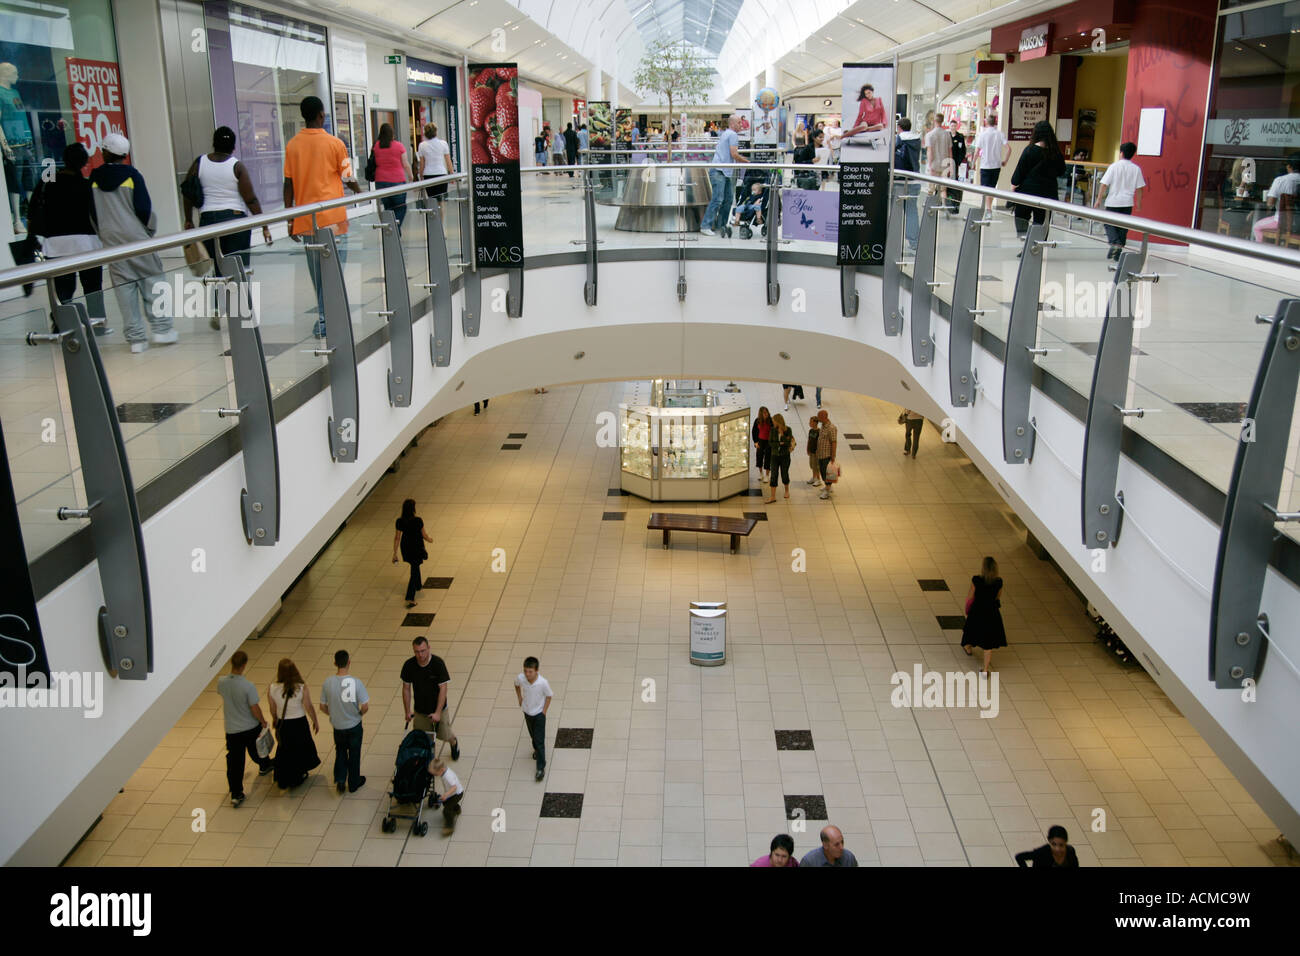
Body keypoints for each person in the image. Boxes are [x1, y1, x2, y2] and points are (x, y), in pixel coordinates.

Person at [284, 95, 362, 339]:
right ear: (320, 115)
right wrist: (359, 193)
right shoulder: (336, 143)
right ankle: (326, 319)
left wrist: (290, 219)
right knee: (334, 271)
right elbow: (348, 177)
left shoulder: (292, 145)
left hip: (307, 221)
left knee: (318, 274)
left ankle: (326, 317)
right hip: (335, 220)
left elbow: (288, 184)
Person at [89, 133, 173, 354]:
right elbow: (144, 208)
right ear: (125, 155)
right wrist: (148, 230)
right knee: (153, 281)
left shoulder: (94, 178)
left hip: (111, 241)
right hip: (136, 237)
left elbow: (91, 212)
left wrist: (103, 233)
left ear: (104, 151)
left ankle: (136, 339)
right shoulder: (132, 176)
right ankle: (162, 329)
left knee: (124, 288)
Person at [183, 126, 272, 327]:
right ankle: (240, 312)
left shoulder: (200, 163)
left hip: (208, 221)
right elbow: (250, 199)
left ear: (214, 142)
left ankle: (217, 309)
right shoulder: (236, 166)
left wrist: (188, 219)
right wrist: (264, 224)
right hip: (235, 221)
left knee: (218, 267)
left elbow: (187, 192)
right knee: (238, 267)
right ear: (233, 146)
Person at [26, 142, 109, 335]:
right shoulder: (86, 185)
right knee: (93, 287)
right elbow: (97, 214)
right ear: (84, 162)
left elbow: (31, 212)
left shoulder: (47, 184)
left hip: (56, 245)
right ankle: (98, 323)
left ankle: (63, 324)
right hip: (87, 243)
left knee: (63, 290)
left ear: (63, 160)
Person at [217, 650, 272, 808]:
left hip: (232, 729)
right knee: (257, 749)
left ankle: (236, 793)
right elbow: (254, 707)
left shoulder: (221, 682)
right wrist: (262, 721)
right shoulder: (248, 686)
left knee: (235, 762)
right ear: (244, 665)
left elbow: (223, 694)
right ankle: (264, 765)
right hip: (249, 726)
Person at [401, 635, 461, 760]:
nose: (420, 655)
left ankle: (454, 742)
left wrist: (438, 712)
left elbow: (443, 689)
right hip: (420, 710)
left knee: (445, 734)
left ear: (428, 648)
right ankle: (426, 760)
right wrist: (407, 711)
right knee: (422, 737)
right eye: (417, 652)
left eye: (423, 651)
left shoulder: (438, 664)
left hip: (439, 708)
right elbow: (406, 689)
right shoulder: (409, 665)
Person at [319, 649, 369, 794]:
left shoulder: (328, 682)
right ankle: (353, 783)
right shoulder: (356, 683)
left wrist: (333, 713)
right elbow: (365, 706)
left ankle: (340, 779)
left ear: (335, 663)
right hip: (354, 725)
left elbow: (322, 706)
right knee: (354, 753)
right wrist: (359, 713)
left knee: (340, 751)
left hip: (338, 726)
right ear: (349, 662)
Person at [268, 657, 320, 790]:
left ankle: (282, 777)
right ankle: (297, 775)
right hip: (299, 723)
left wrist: (275, 719)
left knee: (284, 748)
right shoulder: (301, 688)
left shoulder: (273, 688)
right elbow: (308, 706)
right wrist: (315, 720)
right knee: (299, 748)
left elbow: (272, 708)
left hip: (283, 723)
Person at [1010, 120, 1065, 241]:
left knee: (1021, 216)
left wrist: (1013, 186)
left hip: (1028, 192)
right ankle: (1036, 244)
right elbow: (1062, 171)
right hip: (1048, 193)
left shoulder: (1029, 150)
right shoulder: (1055, 152)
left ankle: (1025, 240)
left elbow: (1020, 172)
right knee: (1042, 221)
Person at [1095, 142, 1147, 260]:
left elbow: (1104, 184)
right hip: (1128, 202)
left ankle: (1115, 243)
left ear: (1121, 153)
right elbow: (1139, 188)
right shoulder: (1136, 169)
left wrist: (1098, 200)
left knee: (1109, 223)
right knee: (1123, 227)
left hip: (1113, 201)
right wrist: (1138, 203)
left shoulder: (1114, 166)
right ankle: (1118, 252)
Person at [699, 113, 749, 236]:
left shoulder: (727, 133)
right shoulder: (732, 135)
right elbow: (734, 154)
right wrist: (748, 162)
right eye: (738, 123)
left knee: (727, 199)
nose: (741, 125)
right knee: (718, 199)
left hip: (724, 171)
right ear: (732, 124)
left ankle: (721, 225)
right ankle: (706, 225)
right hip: (719, 170)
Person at [961, 555, 1007, 674]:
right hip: (992, 613)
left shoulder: (977, 580)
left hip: (977, 611)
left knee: (972, 630)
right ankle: (985, 669)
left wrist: (967, 610)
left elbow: (970, 597)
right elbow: (998, 597)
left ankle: (968, 647)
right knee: (988, 643)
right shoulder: (998, 582)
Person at [515, 655, 553, 781]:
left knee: (539, 739)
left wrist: (544, 712)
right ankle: (536, 750)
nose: (527, 674)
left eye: (530, 671)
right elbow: (516, 684)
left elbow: (549, 696)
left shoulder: (543, 682)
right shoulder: (521, 678)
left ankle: (540, 767)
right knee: (533, 735)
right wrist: (519, 697)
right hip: (527, 712)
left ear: (536, 671)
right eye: (525, 671)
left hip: (539, 715)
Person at [370, 122, 412, 232]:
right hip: (397, 182)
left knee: (388, 209)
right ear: (392, 133)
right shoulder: (399, 146)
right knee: (401, 207)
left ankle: (390, 229)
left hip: (381, 182)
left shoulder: (376, 146)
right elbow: (405, 163)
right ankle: (395, 230)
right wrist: (411, 176)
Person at [1250, 153, 1300, 244]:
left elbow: (1270, 203)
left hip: (1282, 223)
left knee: (1256, 227)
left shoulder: (1280, 180)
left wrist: (1271, 191)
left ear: (1289, 166)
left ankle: (1261, 252)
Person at [393, 497, 433, 608]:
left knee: (415, 566)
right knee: (414, 571)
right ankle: (410, 597)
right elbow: (424, 535)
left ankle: (418, 585)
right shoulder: (418, 520)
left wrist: (395, 553)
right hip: (416, 547)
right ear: (413, 509)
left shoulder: (399, 521)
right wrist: (430, 539)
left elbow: (397, 538)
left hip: (406, 548)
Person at [972, 114, 1010, 214]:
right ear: (995, 123)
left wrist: (973, 163)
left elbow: (977, 151)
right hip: (996, 165)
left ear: (986, 122)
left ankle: (987, 209)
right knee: (992, 188)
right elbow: (1009, 149)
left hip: (985, 165)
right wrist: (1005, 161)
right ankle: (988, 208)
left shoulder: (982, 134)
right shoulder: (1000, 134)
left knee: (985, 188)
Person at [894, 118, 922, 249]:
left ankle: (893, 240)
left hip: (898, 181)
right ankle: (914, 242)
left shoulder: (897, 139)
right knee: (912, 211)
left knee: (895, 212)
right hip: (914, 179)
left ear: (899, 127)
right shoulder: (917, 140)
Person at [417, 123, 452, 202]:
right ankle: (442, 214)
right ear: (436, 132)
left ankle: (433, 214)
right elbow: (448, 161)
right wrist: (452, 173)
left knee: (431, 199)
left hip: (428, 174)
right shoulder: (443, 143)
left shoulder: (422, 145)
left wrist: (421, 176)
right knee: (441, 200)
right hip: (441, 174)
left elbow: (422, 163)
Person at [765, 413, 795, 503]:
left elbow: (788, 442)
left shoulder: (788, 430)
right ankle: (773, 496)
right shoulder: (772, 430)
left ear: (778, 422)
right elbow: (770, 442)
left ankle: (786, 491)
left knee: (784, 473)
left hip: (784, 456)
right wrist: (779, 444)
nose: (773, 423)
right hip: (774, 456)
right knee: (774, 474)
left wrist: (782, 435)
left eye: (774, 421)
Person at [428, 759, 464, 836]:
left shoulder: (448, 776)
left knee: (446, 811)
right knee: (446, 803)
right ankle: (457, 809)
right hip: (453, 793)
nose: (435, 775)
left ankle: (449, 827)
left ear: (441, 770)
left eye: (435, 774)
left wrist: (446, 794)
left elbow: (454, 787)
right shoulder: (444, 770)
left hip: (456, 794)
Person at [1015, 825, 1080, 867]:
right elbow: (1019, 857)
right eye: (1054, 844)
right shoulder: (1042, 852)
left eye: (1061, 845)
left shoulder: (1070, 852)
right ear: (1049, 841)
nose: (1057, 849)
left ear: (1066, 842)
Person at [924, 115, 953, 208]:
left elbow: (930, 151)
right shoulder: (947, 134)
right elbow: (950, 151)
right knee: (943, 189)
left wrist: (930, 165)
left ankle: (929, 205)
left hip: (934, 164)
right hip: (944, 164)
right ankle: (943, 205)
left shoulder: (930, 135)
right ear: (942, 121)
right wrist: (950, 165)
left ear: (934, 121)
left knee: (930, 188)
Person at [816, 408, 837, 499]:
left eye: (819, 417)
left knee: (826, 473)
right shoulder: (823, 426)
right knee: (822, 471)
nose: (818, 419)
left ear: (824, 417)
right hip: (821, 454)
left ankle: (827, 491)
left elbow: (834, 442)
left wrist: (833, 456)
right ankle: (828, 486)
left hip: (827, 455)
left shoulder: (831, 428)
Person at [948, 119, 967, 212]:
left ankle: (954, 204)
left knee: (954, 182)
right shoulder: (947, 136)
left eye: (954, 126)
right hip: (947, 163)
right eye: (951, 126)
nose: (953, 128)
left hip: (956, 163)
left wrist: (959, 162)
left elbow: (963, 150)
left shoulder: (960, 137)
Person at [751, 405, 773, 483]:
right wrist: (755, 442)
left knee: (768, 457)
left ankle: (767, 475)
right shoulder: (757, 421)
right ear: (761, 414)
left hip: (768, 442)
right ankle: (761, 473)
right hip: (760, 441)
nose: (765, 414)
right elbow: (754, 432)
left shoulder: (771, 421)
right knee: (759, 456)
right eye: (764, 413)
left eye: (766, 412)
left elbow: (774, 432)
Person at [805, 416, 822, 487]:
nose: (809, 423)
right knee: (812, 465)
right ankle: (814, 477)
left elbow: (820, 442)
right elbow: (809, 440)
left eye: (811, 422)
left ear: (815, 422)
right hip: (811, 451)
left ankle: (818, 479)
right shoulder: (811, 431)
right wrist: (807, 448)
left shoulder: (819, 431)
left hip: (816, 452)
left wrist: (818, 451)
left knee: (816, 466)